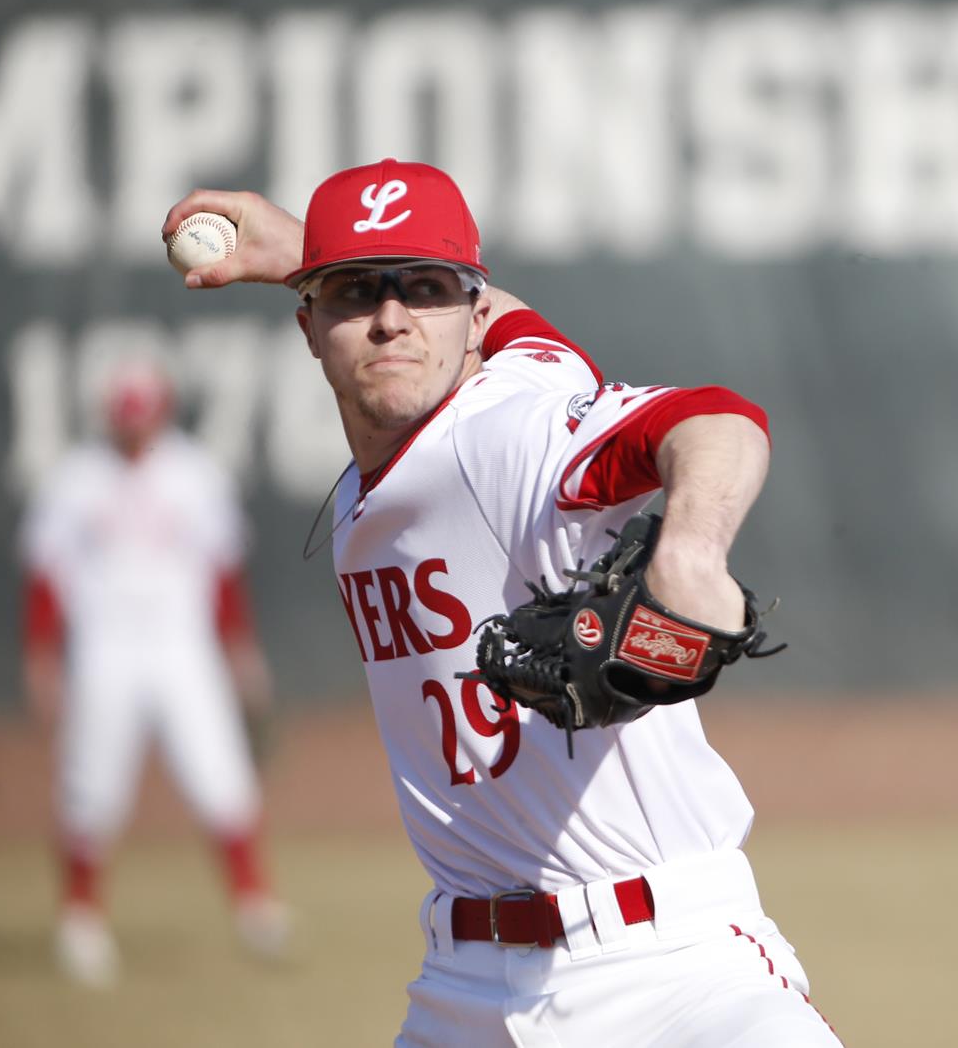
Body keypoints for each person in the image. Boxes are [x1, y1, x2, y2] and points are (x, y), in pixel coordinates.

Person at [160, 158, 839, 1047]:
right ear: (307, 320)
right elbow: (523, 333)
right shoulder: (524, 363)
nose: (393, 316)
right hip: (464, 989)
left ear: (474, 318)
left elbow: (715, 419)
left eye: (426, 288)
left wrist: (692, 550)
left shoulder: (502, 437)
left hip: (674, 973)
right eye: (356, 291)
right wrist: (304, 244)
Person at [20, 355, 290, 987]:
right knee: (92, 787)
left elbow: (224, 576)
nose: (135, 432)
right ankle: (80, 921)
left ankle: (256, 908)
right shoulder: (76, 478)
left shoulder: (194, 474)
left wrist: (242, 656)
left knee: (222, 775)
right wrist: (40, 658)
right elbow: (45, 577)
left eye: (144, 419)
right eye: (126, 419)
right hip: (103, 651)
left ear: (162, 413)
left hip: (181, 648)